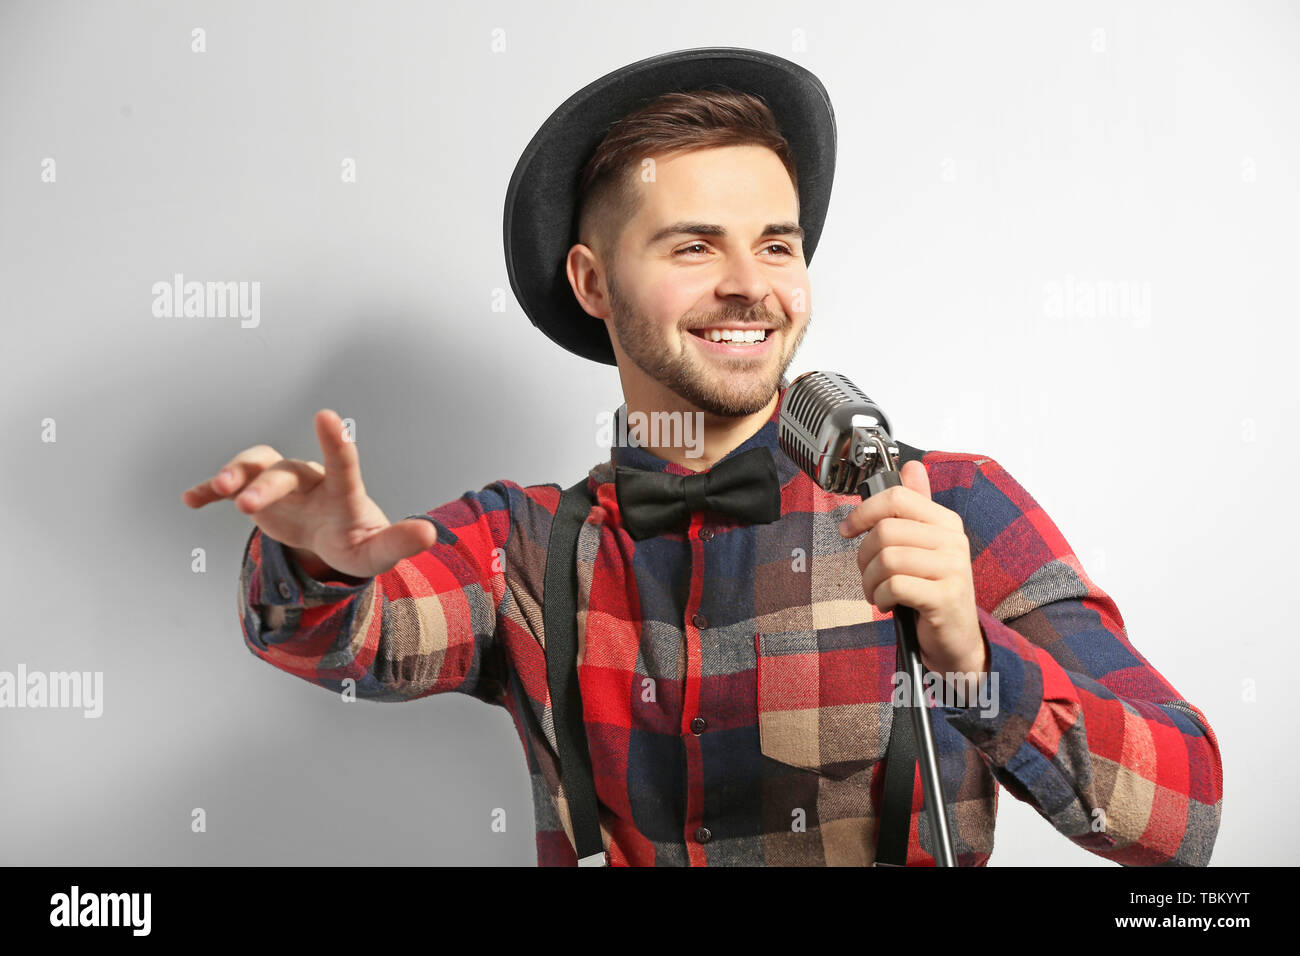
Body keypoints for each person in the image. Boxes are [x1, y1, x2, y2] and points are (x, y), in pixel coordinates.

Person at [181, 48, 1222, 866]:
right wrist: (321, 559)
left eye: (776, 242)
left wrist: (969, 657)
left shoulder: (946, 505)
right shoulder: (522, 545)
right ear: (592, 282)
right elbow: (340, 638)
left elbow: (1184, 819)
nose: (749, 283)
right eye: (692, 245)